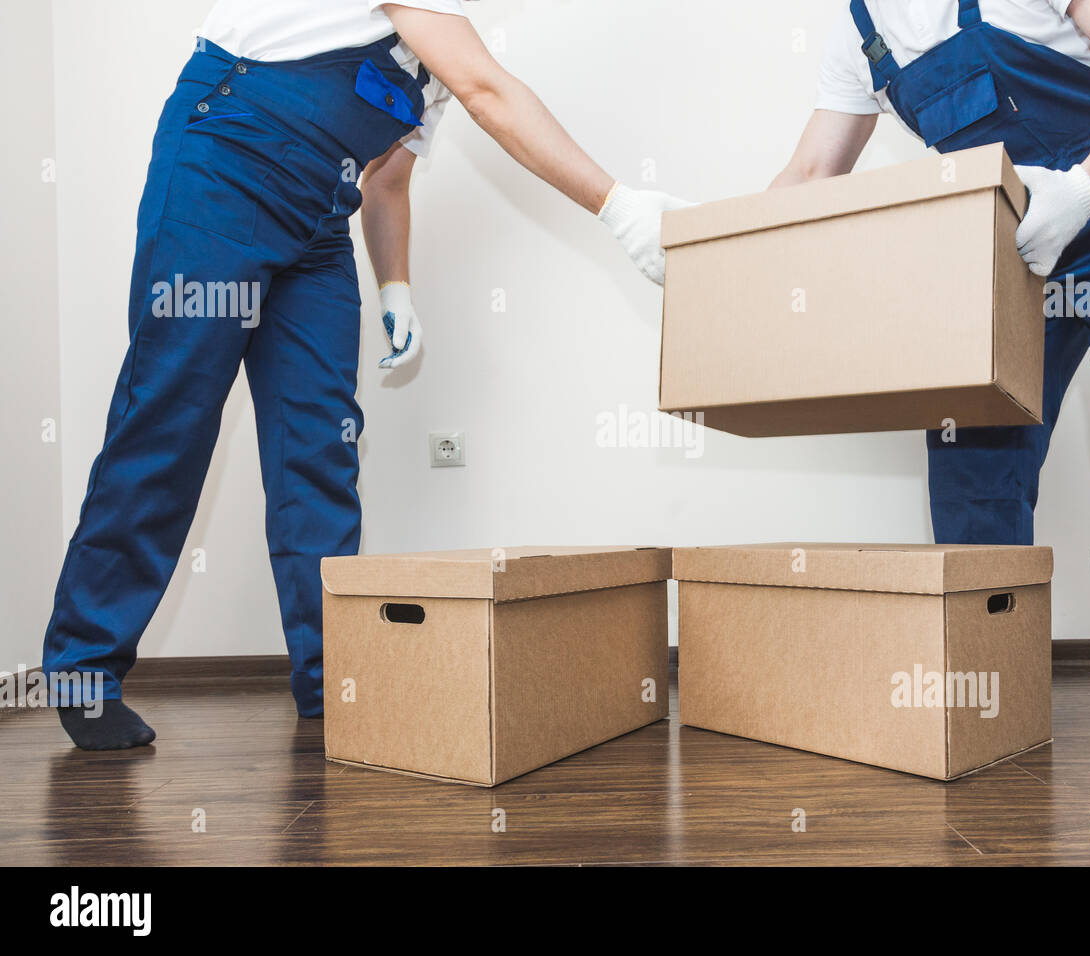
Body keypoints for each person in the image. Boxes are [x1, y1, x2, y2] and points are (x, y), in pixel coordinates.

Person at [43, 0, 688, 750]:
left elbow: (387, 183)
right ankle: (83, 672)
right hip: (224, 162)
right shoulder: (446, 42)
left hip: (317, 219)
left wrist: (396, 289)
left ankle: (330, 681)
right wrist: (614, 205)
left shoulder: (427, 72)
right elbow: (491, 91)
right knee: (170, 413)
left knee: (320, 445)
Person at [772, 0, 1090, 742]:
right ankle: (991, 681)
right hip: (1019, 244)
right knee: (970, 450)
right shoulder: (861, 33)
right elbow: (811, 171)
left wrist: (1084, 188)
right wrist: (715, 260)